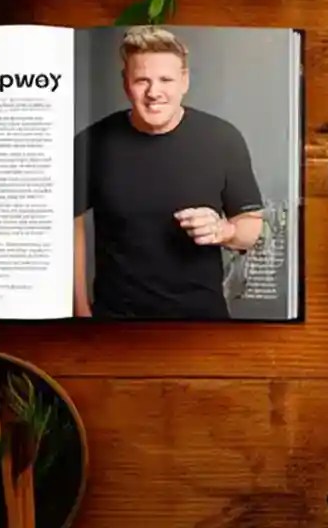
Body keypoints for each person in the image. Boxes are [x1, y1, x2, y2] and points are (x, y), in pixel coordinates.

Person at [73, 27, 265, 319]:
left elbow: (251, 227)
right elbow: (68, 225)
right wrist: (80, 310)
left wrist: (224, 231)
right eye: (142, 81)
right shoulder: (92, 141)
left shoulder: (223, 138)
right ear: (125, 83)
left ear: (184, 81)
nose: (154, 93)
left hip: (202, 319)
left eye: (166, 80)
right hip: (115, 320)